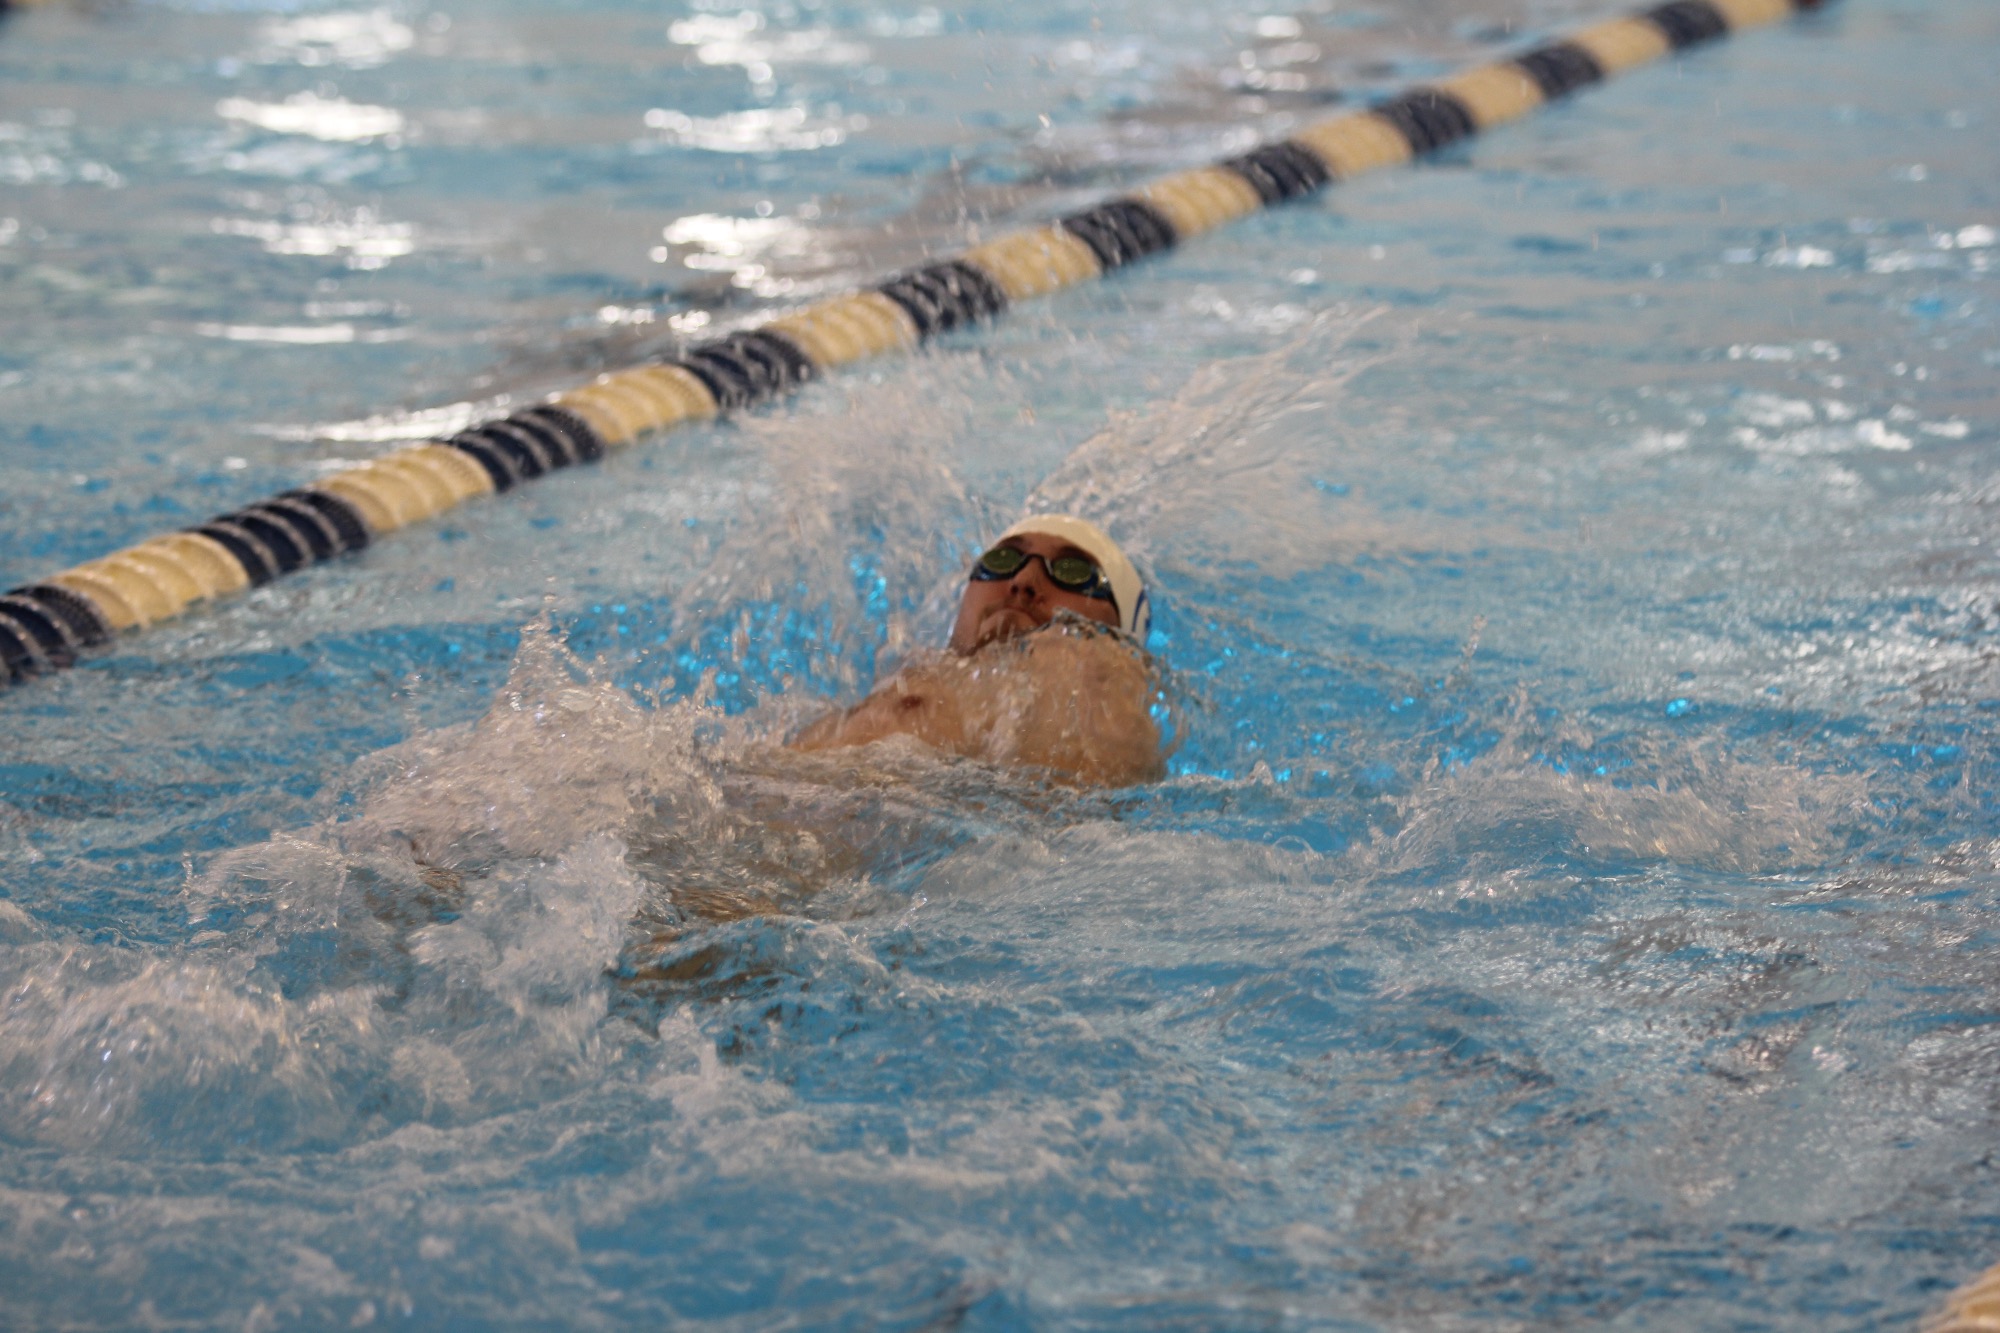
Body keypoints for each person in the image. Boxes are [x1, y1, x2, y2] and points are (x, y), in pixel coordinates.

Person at [788, 514, 1165, 787]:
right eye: (1001, 561)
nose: (1023, 581)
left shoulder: (1091, 675)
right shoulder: (907, 676)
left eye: (1072, 571)